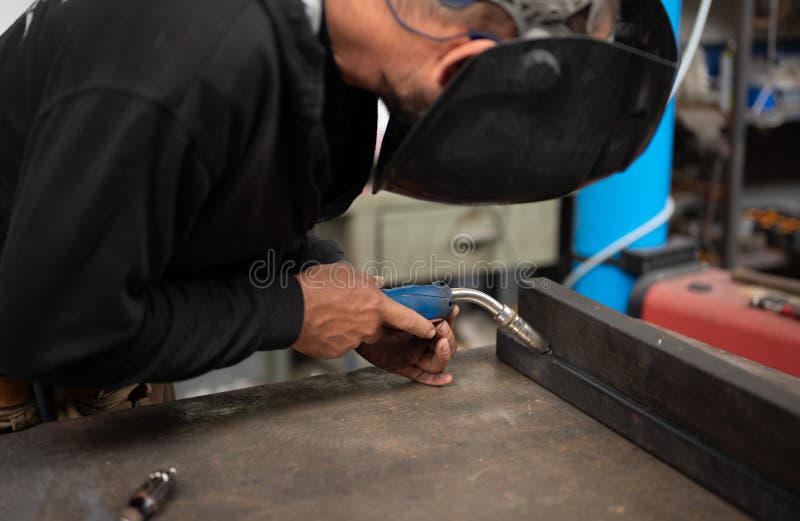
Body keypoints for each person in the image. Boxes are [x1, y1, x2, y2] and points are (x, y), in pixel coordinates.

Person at [0, 0, 617, 431]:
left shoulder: (332, 47)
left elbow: (221, 206)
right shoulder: (191, 56)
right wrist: (293, 312)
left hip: (109, 376)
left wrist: (341, 296)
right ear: (459, 67)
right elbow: (56, 324)